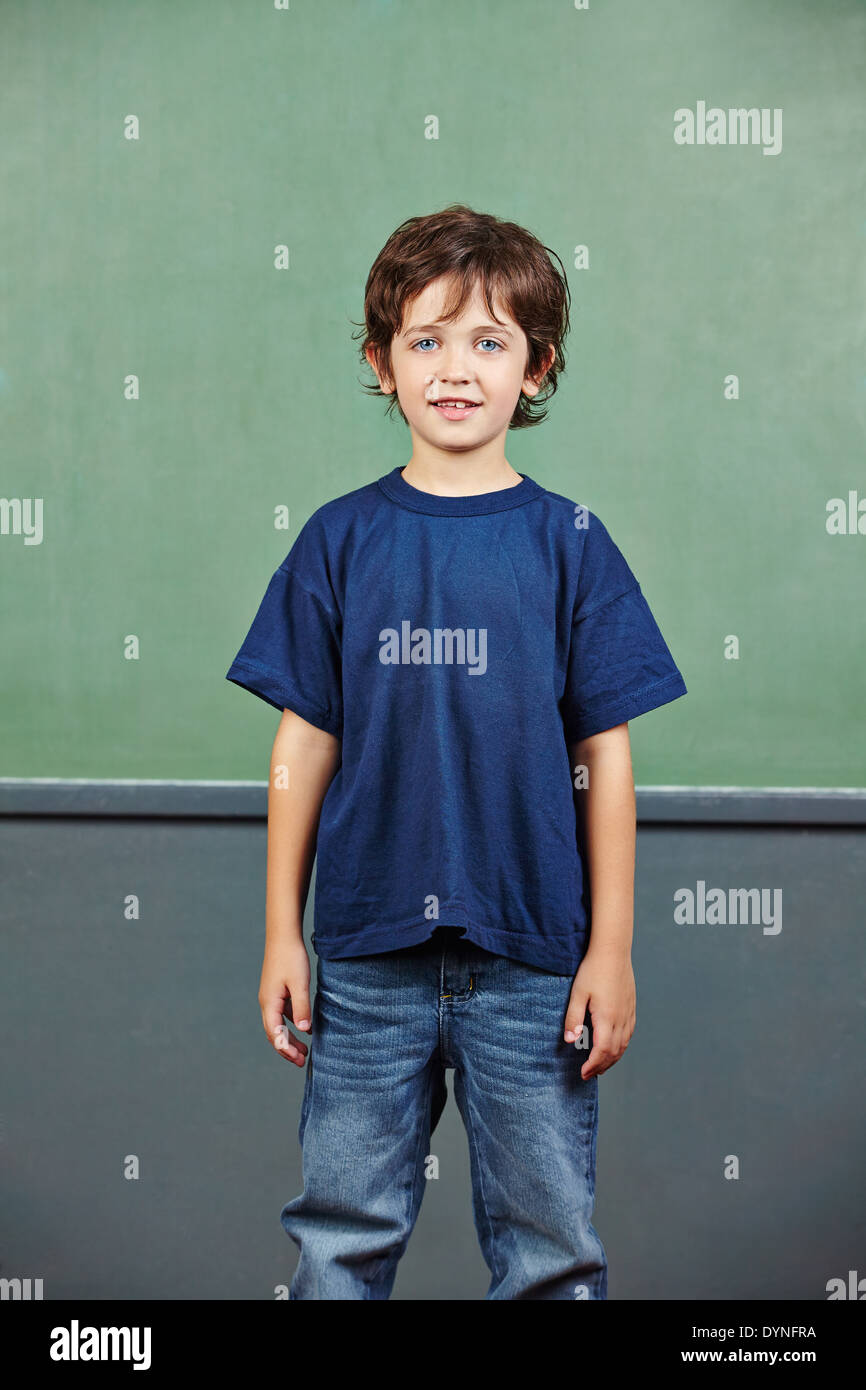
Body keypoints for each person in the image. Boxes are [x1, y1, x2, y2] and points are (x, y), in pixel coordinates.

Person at [225, 203, 688, 1300]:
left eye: (489, 341)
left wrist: (609, 947)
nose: (453, 368)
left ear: (537, 369)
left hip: (532, 962)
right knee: (339, 1237)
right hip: (365, 959)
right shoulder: (338, 539)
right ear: (381, 363)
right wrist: (279, 933)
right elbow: (303, 743)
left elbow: (603, 754)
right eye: (424, 340)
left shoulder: (569, 543)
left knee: (549, 1250)